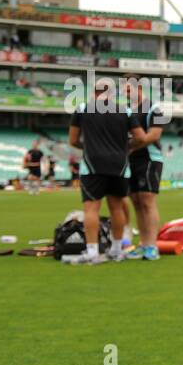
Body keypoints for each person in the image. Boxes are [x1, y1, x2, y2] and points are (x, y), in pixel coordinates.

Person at [65, 81, 145, 264]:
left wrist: (89, 147)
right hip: (119, 165)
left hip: (92, 165)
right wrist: (125, 148)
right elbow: (140, 137)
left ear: (94, 91)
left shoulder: (83, 108)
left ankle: (92, 251)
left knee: (91, 208)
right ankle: (116, 250)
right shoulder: (125, 110)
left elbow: (73, 139)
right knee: (116, 208)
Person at [125, 75, 165, 260]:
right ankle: (143, 243)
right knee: (136, 202)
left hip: (150, 159)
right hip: (132, 160)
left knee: (147, 201)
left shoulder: (155, 108)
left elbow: (154, 135)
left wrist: (128, 148)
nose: (126, 92)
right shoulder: (126, 110)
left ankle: (152, 246)